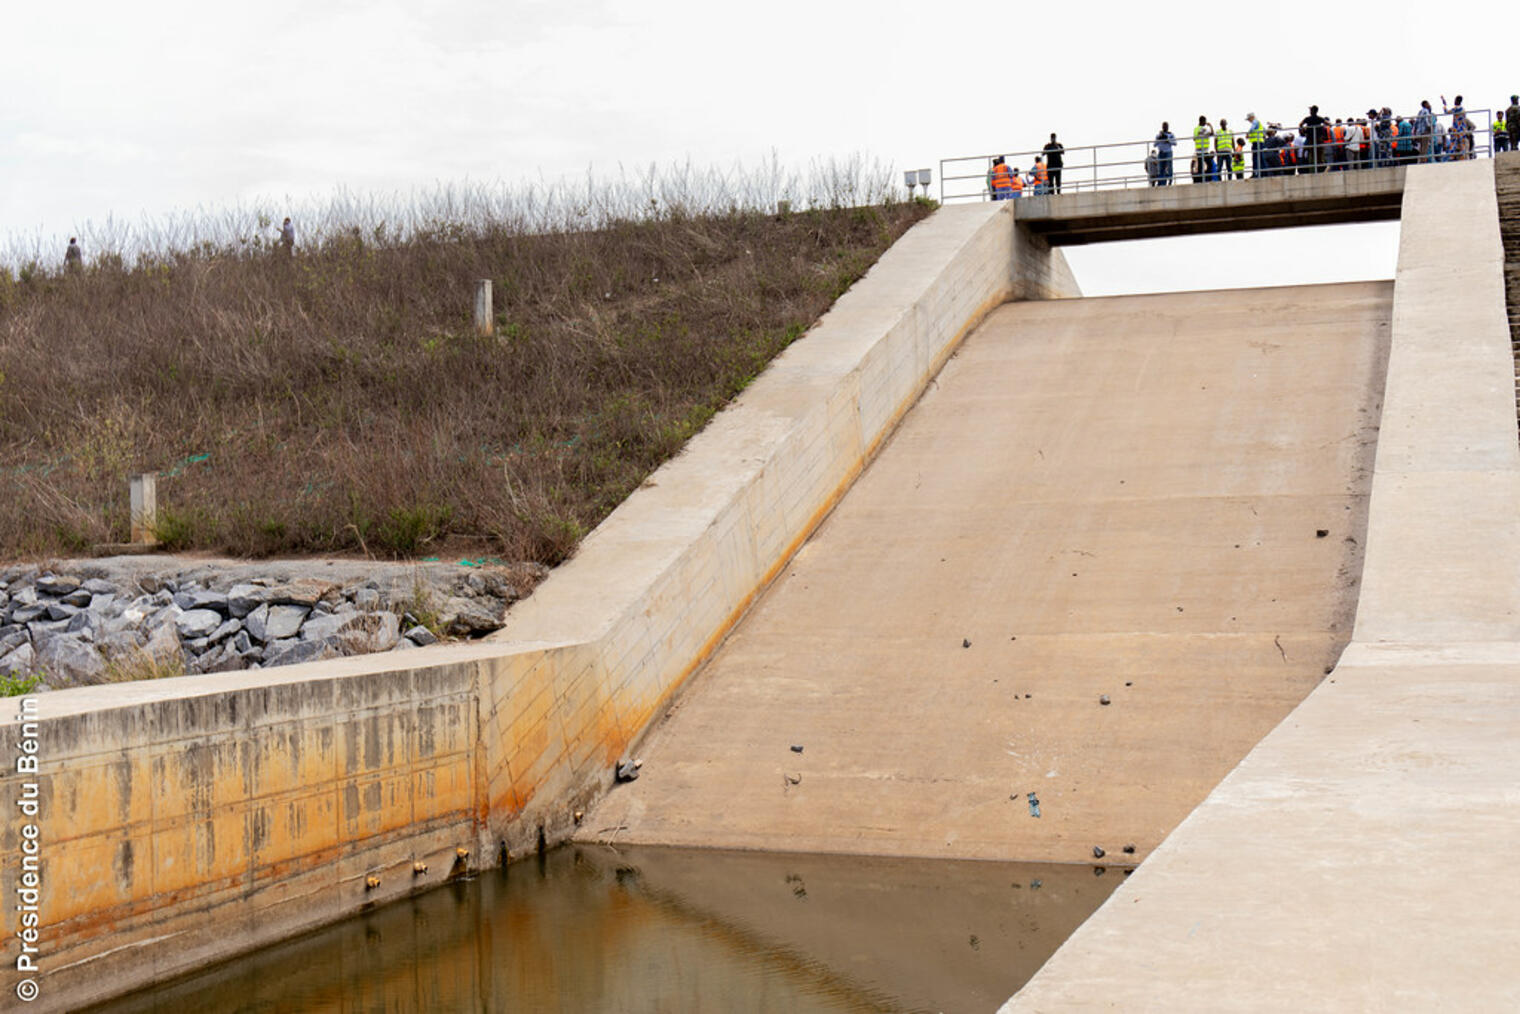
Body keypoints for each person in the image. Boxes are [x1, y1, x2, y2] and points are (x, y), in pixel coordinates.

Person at [1299, 105, 1327, 172]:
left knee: (1311, 156)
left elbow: (1300, 124)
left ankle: (1313, 170)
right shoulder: (1320, 118)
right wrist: (1322, 128)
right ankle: (1321, 170)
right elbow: (1328, 123)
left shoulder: (1307, 119)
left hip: (1310, 139)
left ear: (1311, 111)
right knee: (1320, 156)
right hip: (1319, 139)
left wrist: (1304, 130)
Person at [1193, 116, 1214, 182]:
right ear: (1202, 121)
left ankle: (1205, 178)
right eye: (1205, 121)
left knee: (1206, 165)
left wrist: (1210, 126)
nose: (1205, 123)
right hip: (1201, 150)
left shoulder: (1199, 129)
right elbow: (1194, 138)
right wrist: (1210, 126)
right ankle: (1204, 179)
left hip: (1202, 150)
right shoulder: (1201, 129)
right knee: (1204, 165)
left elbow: (1212, 134)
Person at [1245, 112, 1265, 177]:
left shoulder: (1255, 122)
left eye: (1249, 119)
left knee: (1255, 158)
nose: (1249, 121)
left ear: (1252, 117)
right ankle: (1264, 173)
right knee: (1261, 158)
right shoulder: (1259, 123)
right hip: (1260, 142)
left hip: (1256, 143)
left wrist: (1248, 134)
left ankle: (1255, 173)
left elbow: (1252, 129)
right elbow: (1264, 131)